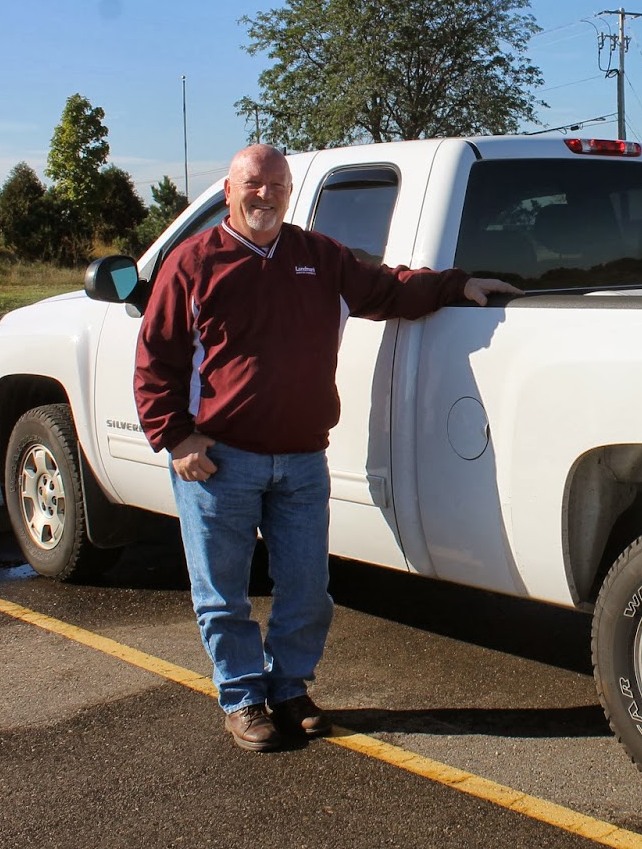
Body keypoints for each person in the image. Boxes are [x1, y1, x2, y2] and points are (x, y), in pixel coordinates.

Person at [134, 143, 522, 752]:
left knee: (306, 588)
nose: (266, 196)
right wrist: (175, 436)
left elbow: (390, 288)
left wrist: (459, 285)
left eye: (277, 185)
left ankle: (290, 690)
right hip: (219, 464)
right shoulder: (193, 263)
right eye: (254, 185)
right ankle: (242, 701)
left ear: (292, 192)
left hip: (301, 459)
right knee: (223, 593)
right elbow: (156, 357)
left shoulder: (317, 256)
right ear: (231, 190)